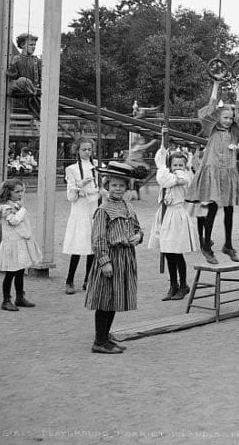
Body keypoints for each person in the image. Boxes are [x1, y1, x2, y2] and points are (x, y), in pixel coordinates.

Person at [85, 162, 143, 354]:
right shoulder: (104, 210)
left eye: (121, 186)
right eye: (114, 185)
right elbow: (98, 238)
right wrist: (104, 262)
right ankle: (99, 341)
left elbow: (136, 228)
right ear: (107, 186)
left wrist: (138, 236)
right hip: (111, 259)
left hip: (126, 259)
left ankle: (105, 337)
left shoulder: (128, 206)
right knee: (105, 300)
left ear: (127, 187)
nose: (118, 189)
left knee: (114, 300)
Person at [187, 82, 239, 264]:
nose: (228, 121)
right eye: (225, 117)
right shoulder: (211, 129)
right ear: (218, 118)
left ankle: (228, 244)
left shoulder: (234, 133)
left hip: (227, 173)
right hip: (212, 173)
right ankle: (206, 246)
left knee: (229, 210)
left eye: (230, 118)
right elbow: (207, 111)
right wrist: (215, 84)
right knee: (211, 209)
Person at [148, 138, 200, 300]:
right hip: (165, 214)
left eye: (180, 165)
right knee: (167, 251)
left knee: (176, 251)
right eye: (174, 165)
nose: (177, 168)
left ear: (185, 166)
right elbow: (163, 172)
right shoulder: (169, 175)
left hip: (176, 215)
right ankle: (173, 284)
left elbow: (164, 180)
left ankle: (183, 284)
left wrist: (164, 167)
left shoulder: (184, 177)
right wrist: (163, 154)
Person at [0, 178, 42, 311]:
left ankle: (20, 297)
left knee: (20, 270)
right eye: (17, 192)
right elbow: (14, 221)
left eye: (22, 191)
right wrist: (22, 211)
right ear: (8, 192)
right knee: (10, 272)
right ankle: (6, 300)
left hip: (20, 243)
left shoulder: (16, 206)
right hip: (11, 244)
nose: (20, 194)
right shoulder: (5, 208)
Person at [62, 137, 99, 294]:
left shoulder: (97, 166)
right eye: (84, 149)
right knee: (78, 245)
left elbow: (102, 186)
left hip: (94, 207)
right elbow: (71, 196)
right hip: (80, 209)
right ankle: (69, 280)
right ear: (77, 150)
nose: (87, 152)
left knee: (93, 245)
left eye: (89, 149)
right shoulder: (72, 169)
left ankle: (88, 279)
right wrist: (80, 185)